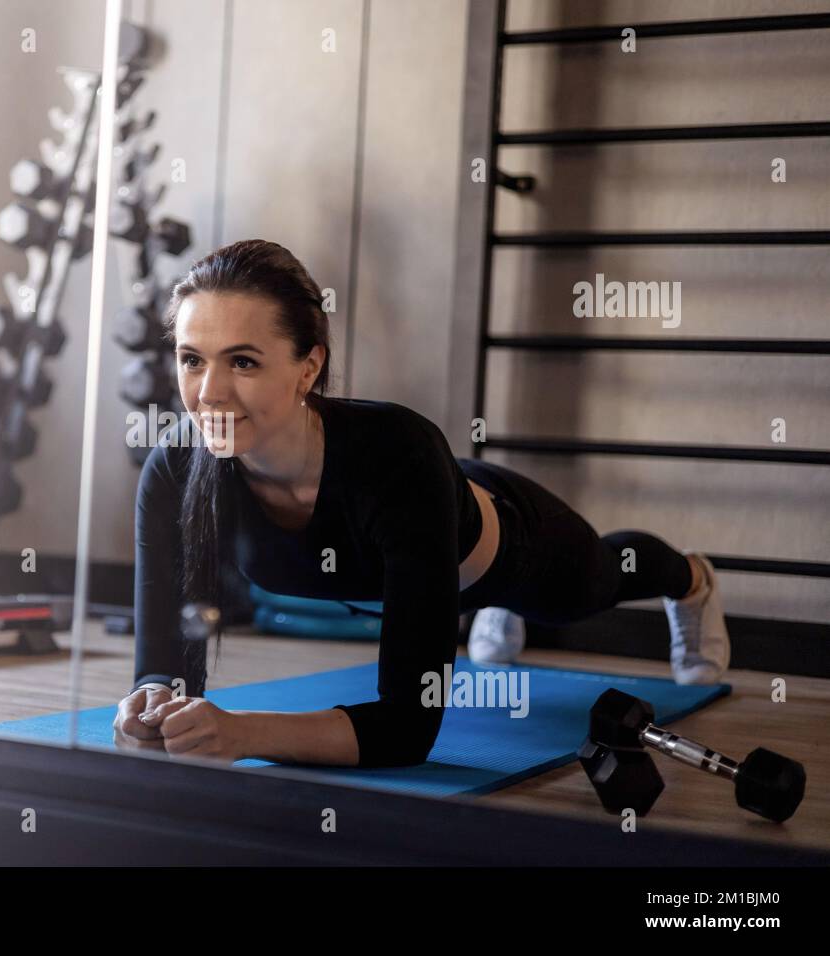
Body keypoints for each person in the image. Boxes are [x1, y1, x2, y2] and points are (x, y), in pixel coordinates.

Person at [113, 239, 729, 769]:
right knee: (445, 595)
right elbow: (162, 665)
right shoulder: (174, 471)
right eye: (192, 360)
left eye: (243, 361)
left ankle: (692, 579)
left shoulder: (397, 454)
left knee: (591, 585)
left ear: (308, 367)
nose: (210, 392)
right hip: (414, 550)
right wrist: (149, 701)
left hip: (499, 541)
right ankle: (490, 617)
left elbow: (409, 729)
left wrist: (243, 731)